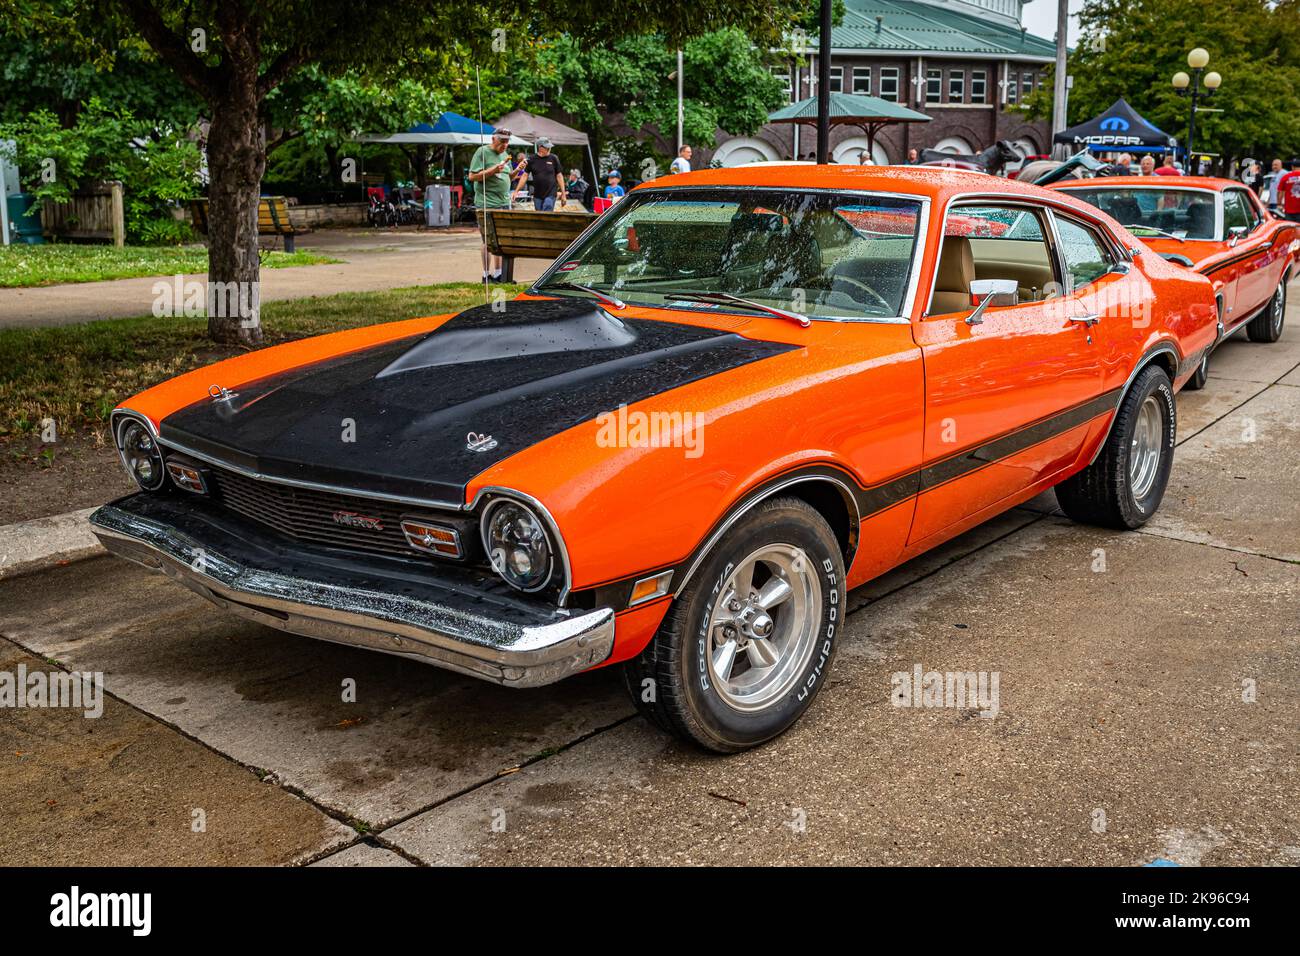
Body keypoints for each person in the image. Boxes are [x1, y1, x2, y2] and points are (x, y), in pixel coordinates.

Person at [468, 128, 514, 282]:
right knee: (487, 240)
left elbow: (509, 176)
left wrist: (518, 171)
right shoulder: (482, 152)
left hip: (504, 202)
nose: (505, 145)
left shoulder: (505, 155)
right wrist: (493, 170)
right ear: (494, 139)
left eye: (507, 142)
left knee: (500, 240)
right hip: (487, 202)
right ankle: (486, 275)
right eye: (502, 141)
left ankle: (499, 273)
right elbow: (472, 176)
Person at [512, 137, 566, 211]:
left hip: (551, 193)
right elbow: (525, 176)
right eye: (547, 147)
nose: (549, 149)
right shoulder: (531, 159)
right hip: (537, 195)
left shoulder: (554, 158)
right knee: (540, 216)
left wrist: (563, 194)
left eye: (550, 147)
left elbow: (559, 176)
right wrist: (516, 191)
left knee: (547, 208)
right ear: (540, 147)